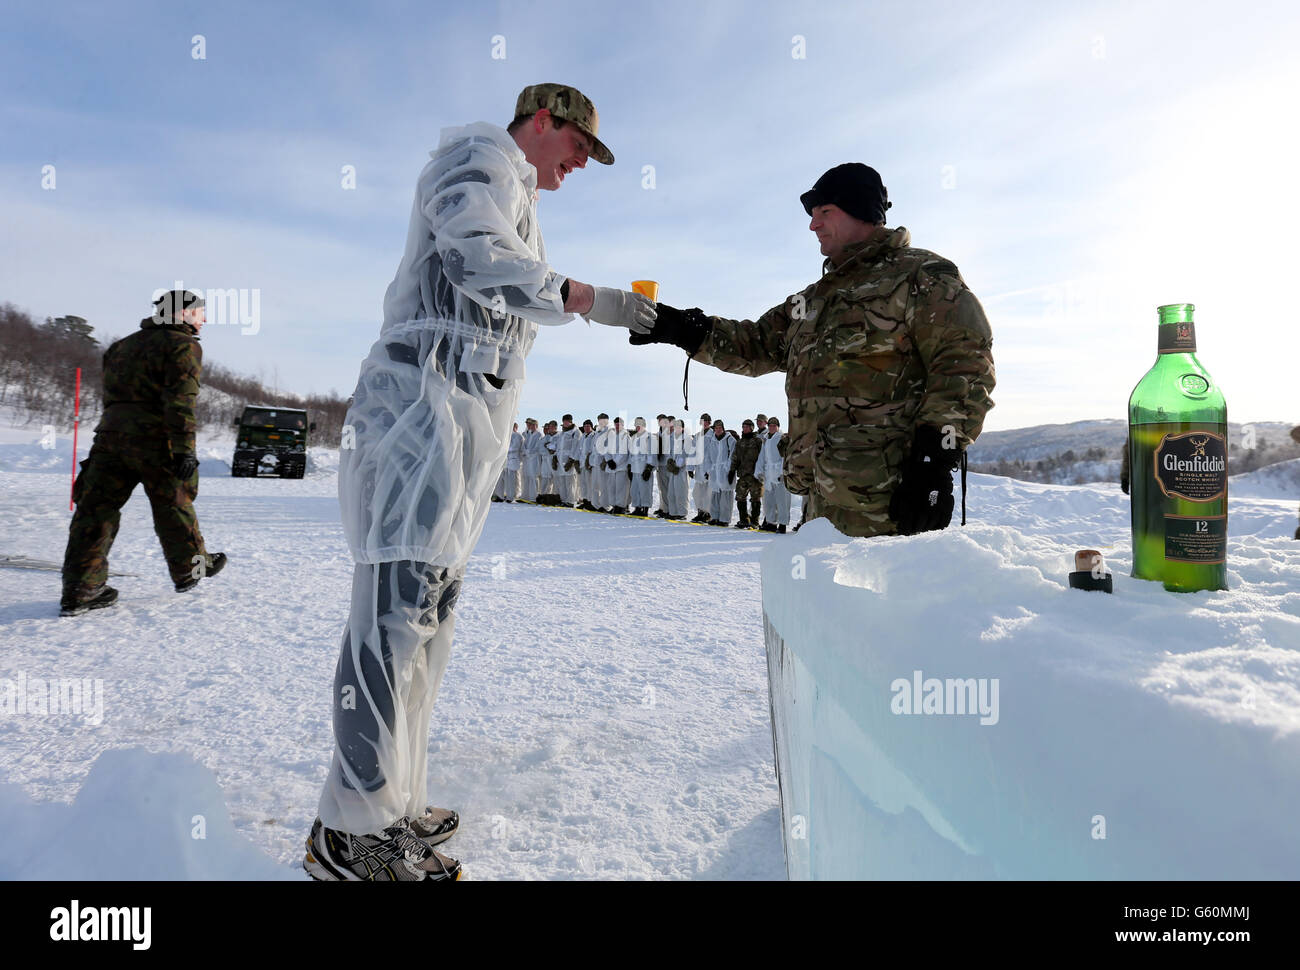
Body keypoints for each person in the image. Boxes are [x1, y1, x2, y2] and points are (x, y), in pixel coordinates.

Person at [305, 83, 656, 882]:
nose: (578, 167)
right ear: (544, 123)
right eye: (577, 150)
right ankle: (347, 830)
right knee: (393, 614)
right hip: (420, 416)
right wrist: (594, 300)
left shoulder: (517, 187)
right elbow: (475, 258)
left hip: (461, 423)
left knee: (427, 615)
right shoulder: (475, 159)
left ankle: (393, 802)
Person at [632, 162, 995, 538]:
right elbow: (756, 344)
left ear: (862, 212)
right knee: (820, 597)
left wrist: (932, 463)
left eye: (825, 212)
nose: (813, 225)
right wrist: (684, 329)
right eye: (812, 215)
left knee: (880, 598)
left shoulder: (920, 276)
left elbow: (965, 365)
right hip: (819, 506)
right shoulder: (814, 300)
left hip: (892, 504)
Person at [60, 289, 226, 615]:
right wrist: (184, 451)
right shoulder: (183, 345)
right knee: (173, 504)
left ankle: (81, 590)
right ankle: (188, 570)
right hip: (156, 440)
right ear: (183, 313)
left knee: (95, 511)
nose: (204, 319)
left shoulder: (121, 346)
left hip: (110, 439)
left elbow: (111, 398)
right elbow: (180, 401)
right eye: (200, 312)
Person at [756, 417, 791, 532]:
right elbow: (762, 456)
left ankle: (782, 524)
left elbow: (784, 457)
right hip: (768, 474)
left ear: (778, 427)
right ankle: (771, 522)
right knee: (768, 501)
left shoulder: (781, 438)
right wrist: (759, 470)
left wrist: (782, 472)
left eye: (774, 425)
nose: (771, 427)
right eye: (770, 425)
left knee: (782, 501)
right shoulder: (766, 439)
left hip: (778, 474)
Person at [731, 418, 764, 529]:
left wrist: (762, 472)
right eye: (743, 427)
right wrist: (732, 470)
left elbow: (762, 457)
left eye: (747, 427)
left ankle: (754, 521)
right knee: (740, 497)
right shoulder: (739, 442)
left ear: (751, 428)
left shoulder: (758, 441)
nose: (744, 429)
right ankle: (744, 520)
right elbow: (735, 457)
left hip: (755, 475)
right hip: (743, 474)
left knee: (755, 498)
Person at [706, 419, 736, 526]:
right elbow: (708, 456)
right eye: (716, 428)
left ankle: (724, 519)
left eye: (720, 428)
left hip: (725, 471)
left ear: (723, 429)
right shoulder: (712, 440)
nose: (718, 430)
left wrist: (729, 469)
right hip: (715, 471)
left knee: (726, 496)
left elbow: (733, 455)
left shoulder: (730, 440)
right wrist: (709, 469)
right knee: (715, 494)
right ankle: (715, 517)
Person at [628, 417, 654, 516]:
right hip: (635, 468)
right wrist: (629, 466)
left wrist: (649, 467)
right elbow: (631, 453)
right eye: (636, 425)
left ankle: (645, 509)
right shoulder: (633, 438)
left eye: (640, 424)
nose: (638, 427)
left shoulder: (649, 437)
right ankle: (637, 508)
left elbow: (652, 454)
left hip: (644, 468)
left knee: (645, 489)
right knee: (635, 489)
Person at [690, 413, 713, 522]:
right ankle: (700, 512)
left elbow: (714, 453)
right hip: (699, 468)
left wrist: (710, 470)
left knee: (708, 493)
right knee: (697, 493)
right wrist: (690, 468)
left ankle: (708, 513)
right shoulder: (697, 436)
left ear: (709, 422)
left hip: (708, 468)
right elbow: (692, 452)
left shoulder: (713, 435)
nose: (704, 423)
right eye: (702, 421)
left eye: (706, 421)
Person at [555, 414, 582, 507]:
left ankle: (571, 500)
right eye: (564, 421)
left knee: (570, 482)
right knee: (562, 482)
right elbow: (558, 447)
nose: (565, 423)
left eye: (567, 421)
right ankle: (564, 499)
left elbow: (576, 447)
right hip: (560, 461)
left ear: (571, 421)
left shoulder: (576, 432)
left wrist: (571, 460)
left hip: (569, 461)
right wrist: (555, 457)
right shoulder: (561, 433)